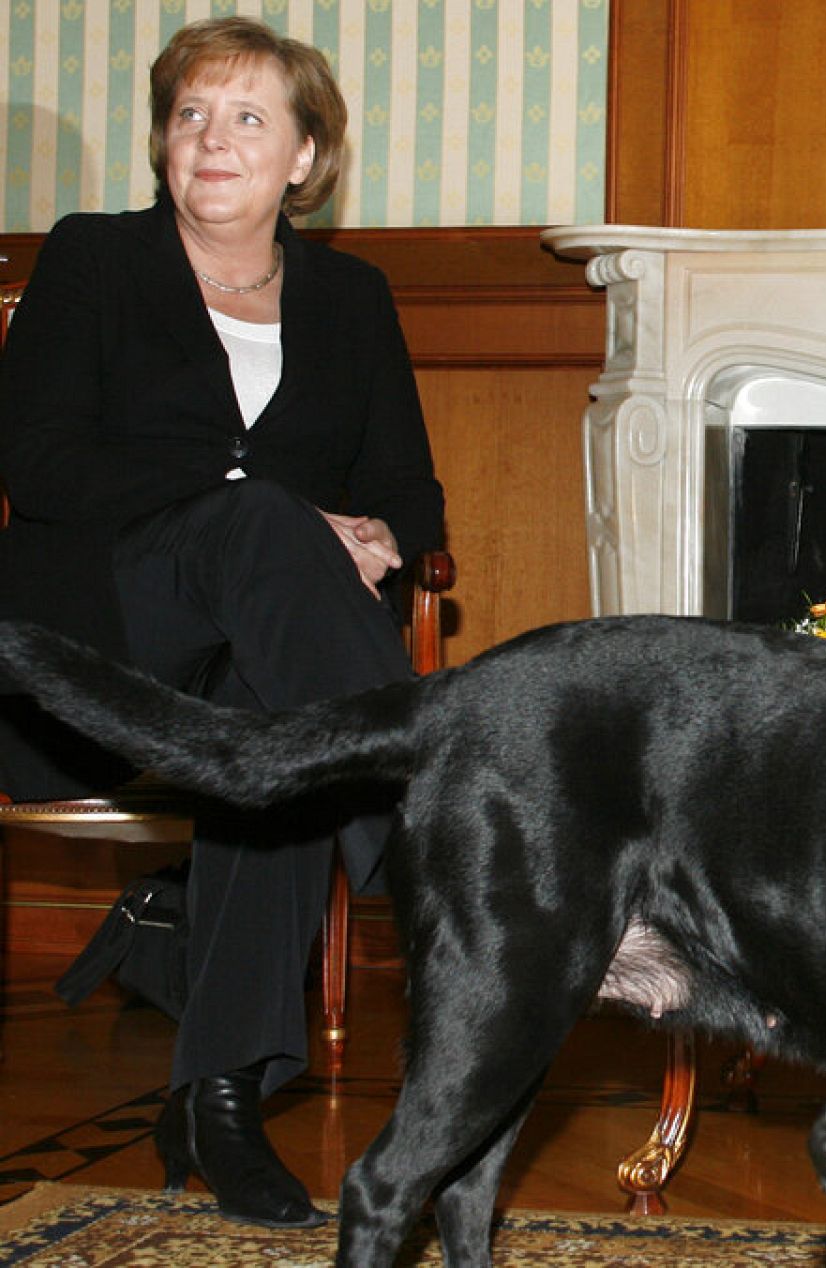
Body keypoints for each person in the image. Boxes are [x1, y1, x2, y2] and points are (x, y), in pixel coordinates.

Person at [0, 18, 443, 1228]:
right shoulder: (94, 259)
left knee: (276, 724)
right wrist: (273, 507)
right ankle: (435, 854)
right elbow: (39, 463)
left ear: (305, 156)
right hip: (97, 649)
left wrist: (378, 534)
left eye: (248, 117)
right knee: (258, 528)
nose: (211, 138)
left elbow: (411, 494)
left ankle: (220, 1098)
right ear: (162, 141)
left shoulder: (352, 298)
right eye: (190, 114)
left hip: (261, 656)